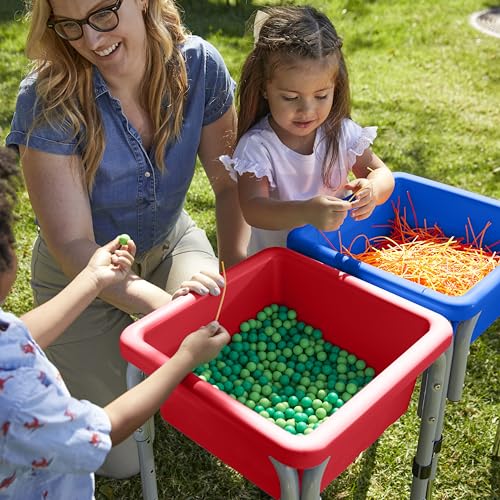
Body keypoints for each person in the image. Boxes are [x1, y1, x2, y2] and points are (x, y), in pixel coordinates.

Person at [6, 0, 248, 478]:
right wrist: (166, 307)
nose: (92, 41)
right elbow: (75, 245)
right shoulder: (47, 97)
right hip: (81, 280)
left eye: (103, 14)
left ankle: (159, 364)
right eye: (71, 26)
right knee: (119, 462)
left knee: (218, 354)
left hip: (168, 246)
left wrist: (236, 271)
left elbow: (229, 183)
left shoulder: (200, 66)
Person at [0, 146, 231, 499]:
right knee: (120, 459)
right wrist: (183, 359)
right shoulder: (18, 398)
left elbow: (17, 334)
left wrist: (92, 278)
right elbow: (101, 432)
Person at [220, 6, 394, 255]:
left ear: (336, 86)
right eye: (291, 97)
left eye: (321, 95)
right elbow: (254, 209)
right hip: (280, 266)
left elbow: (382, 172)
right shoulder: (258, 146)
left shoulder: (341, 133)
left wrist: (372, 190)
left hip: (333, 257)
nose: (307, 110)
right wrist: (306, 211)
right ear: (264, 89)